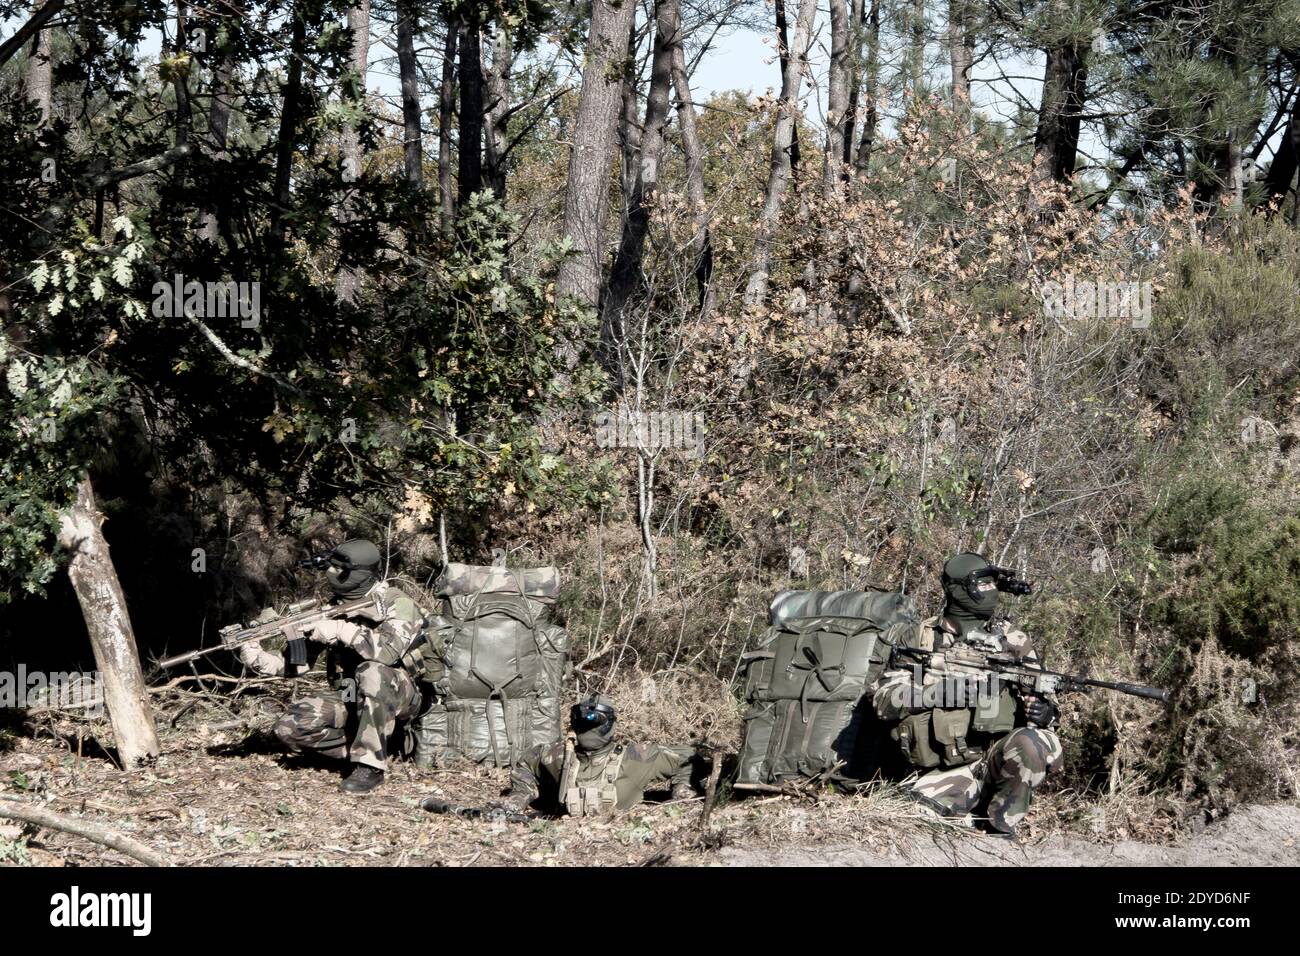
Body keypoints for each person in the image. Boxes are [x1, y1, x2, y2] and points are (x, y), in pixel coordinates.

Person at [871, 552, 1062, 834]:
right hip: (945, 766)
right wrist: (939, 692)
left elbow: (1046, 706)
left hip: (996, 756)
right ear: (958, 590)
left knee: (1031, 743)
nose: (990, 592)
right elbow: (884, 700)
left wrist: (1045, 712)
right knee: (912, 818)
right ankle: (969, 812)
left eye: (991, 585)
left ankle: (1002, 825)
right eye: (981, 585)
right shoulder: (923, 638)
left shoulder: (1013, 640)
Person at [226, 539, 431, 793]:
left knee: (372, 672)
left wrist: (339, 630)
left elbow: (387, 654)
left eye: (339, 568)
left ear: (360, 573)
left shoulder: (397, 603)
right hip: (351, 695)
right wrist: (255, 655)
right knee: (290, 727)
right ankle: (366, 746)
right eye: (329, 566)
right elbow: (295, 665)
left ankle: (370, 766)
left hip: (404, 698)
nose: (331, 573)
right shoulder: (334, 607)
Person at [503, 693, 700, 816]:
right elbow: (526, 765)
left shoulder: (636, 756)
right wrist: (521, 796)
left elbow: (691, 757)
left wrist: (682, 791)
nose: (590, 733)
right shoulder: (555, 755)